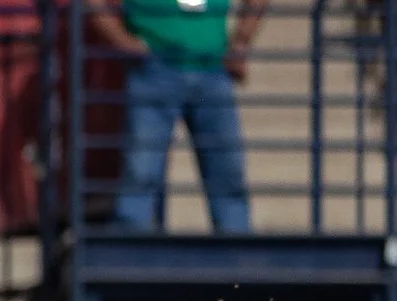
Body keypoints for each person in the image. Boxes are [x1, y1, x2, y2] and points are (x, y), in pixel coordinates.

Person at [98, 0, 271, 233]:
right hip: (153, 67)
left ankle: (236, 256)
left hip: (211, 67)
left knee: (228, 173)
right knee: (141, 173)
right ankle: (132, 257)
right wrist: (120, 40)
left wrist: (241, 41)